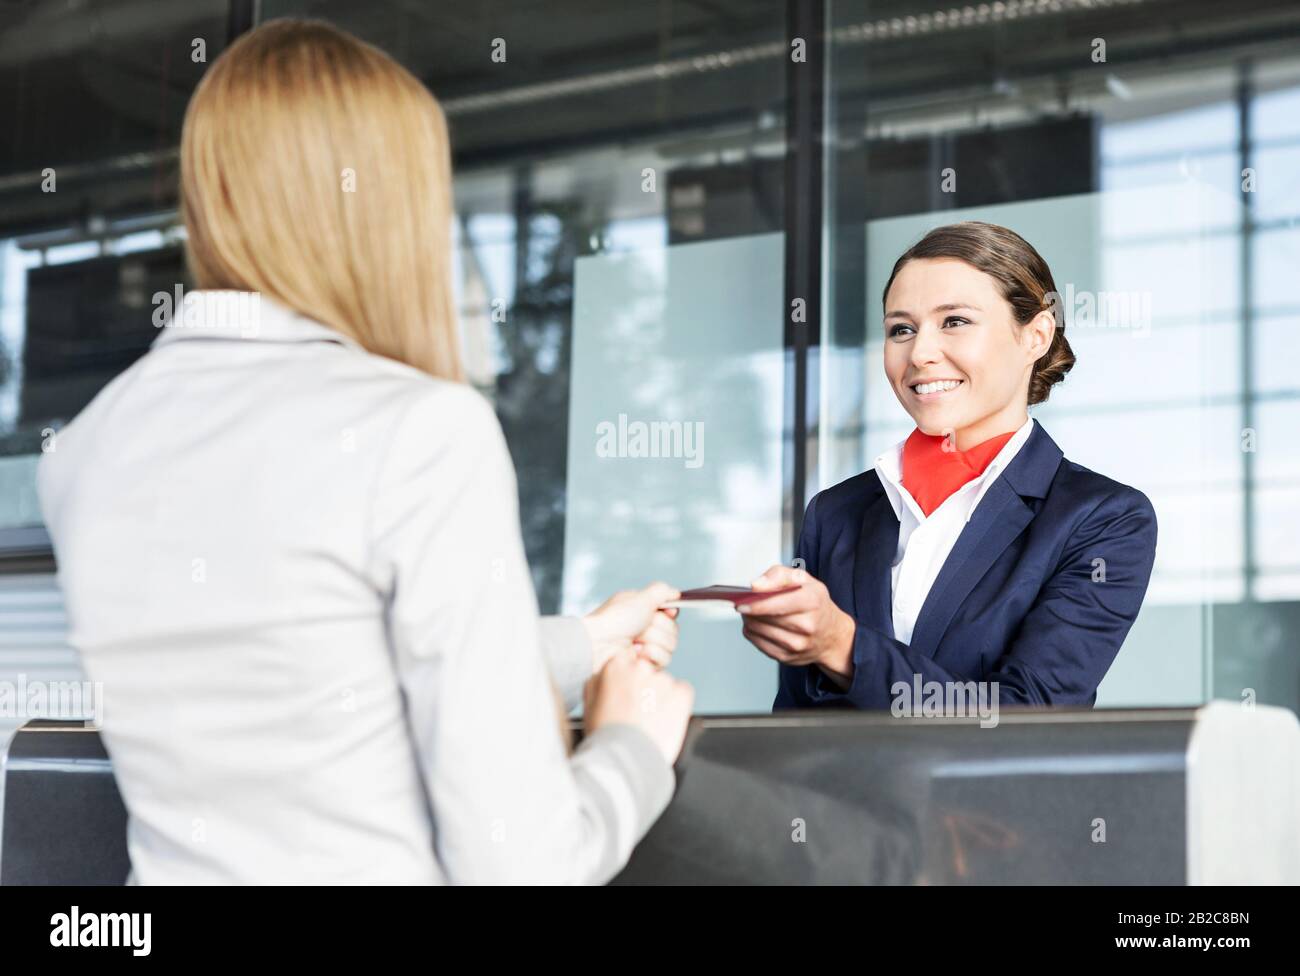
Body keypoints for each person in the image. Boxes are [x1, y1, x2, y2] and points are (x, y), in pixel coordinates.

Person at [36, 19, 692, 885]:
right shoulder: (420, 432)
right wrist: (631, 748)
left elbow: (314, 681)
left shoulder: (83, 453)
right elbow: (522, 866)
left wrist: (586, 640)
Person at [740, 221, 1158, 710]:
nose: (919, 353)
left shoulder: (1103, 519)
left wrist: (844, 647)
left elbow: (1026, 717)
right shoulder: (836, 513)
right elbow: (794, 723)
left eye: (955, 321)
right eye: (902, 329)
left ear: (1036, 336)